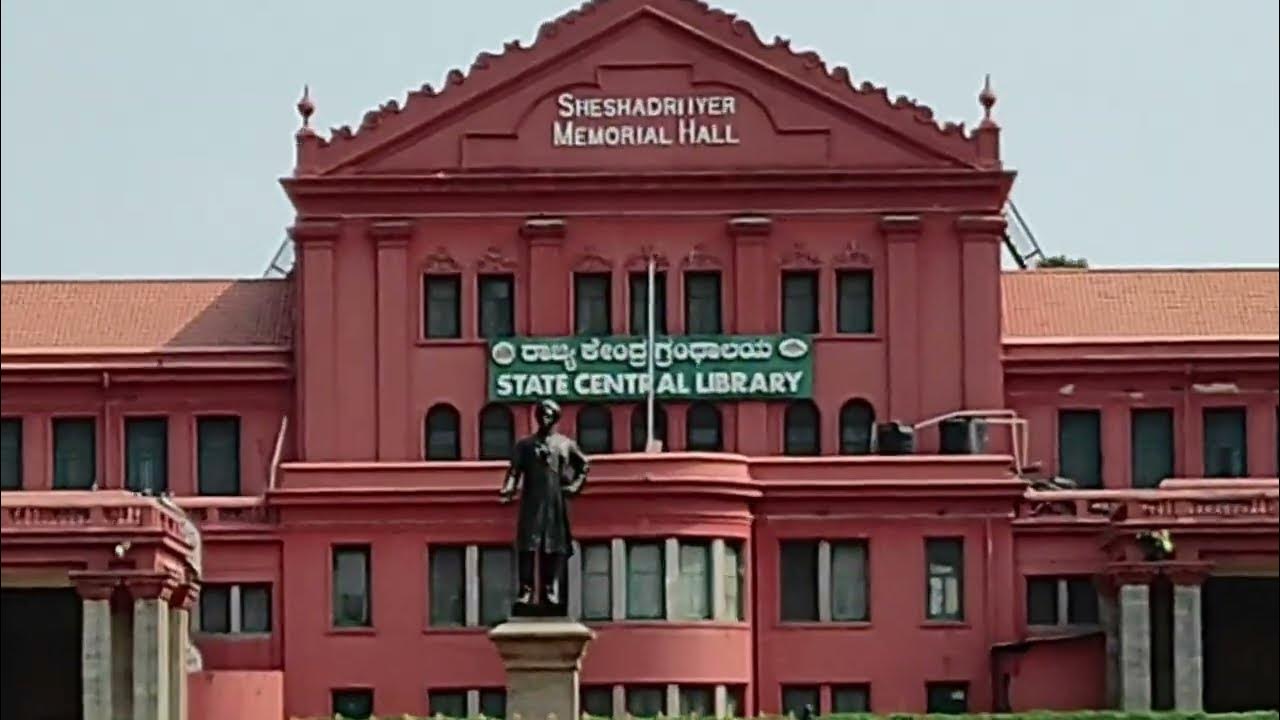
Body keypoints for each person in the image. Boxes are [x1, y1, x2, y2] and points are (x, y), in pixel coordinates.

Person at [499, 399, 589, 612]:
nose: (544, 418)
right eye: (541, 414)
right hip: (532, 502)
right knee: (528, 547)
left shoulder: (565, 444)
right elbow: (514, 471)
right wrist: (509, 489)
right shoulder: (525, 445)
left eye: (549, 414)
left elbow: (583, 465)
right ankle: (526, 590)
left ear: (555, 418)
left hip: (554, 502)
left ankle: (549, 589)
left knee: (553, 547)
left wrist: (575, 486)